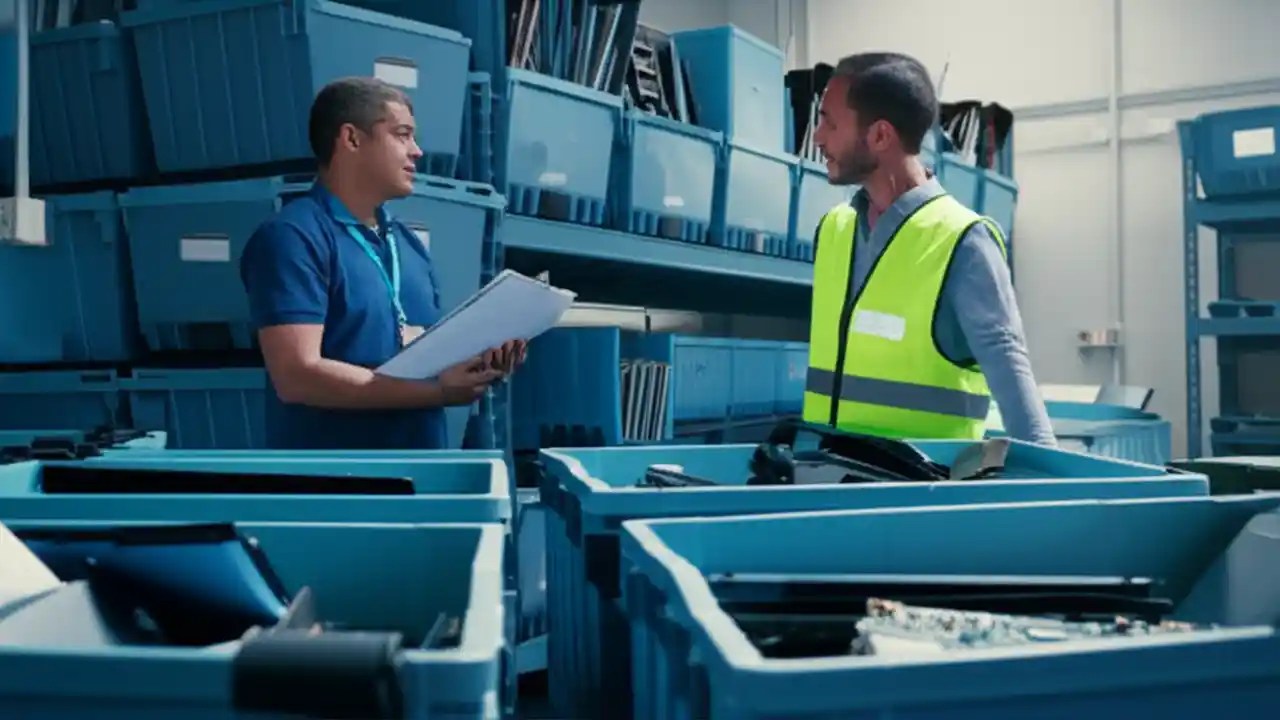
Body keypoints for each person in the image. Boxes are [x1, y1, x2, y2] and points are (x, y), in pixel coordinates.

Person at [240, 76, 524, 450]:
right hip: (339, 491)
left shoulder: (406, 245)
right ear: (352, 139)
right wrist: (438, 392)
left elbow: (418, 348)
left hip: (420, 481)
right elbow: (298, 376)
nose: (417, 151)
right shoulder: (293, 237)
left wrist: (480, 363)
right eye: (402, 135)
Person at [806, 52, 1055, 444]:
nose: (817, 136)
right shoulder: (834, 230)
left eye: (829, 122)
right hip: (826, 485)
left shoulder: (963, 242)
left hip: (919, 496)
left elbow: (1013, 382)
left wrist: (1052, 491)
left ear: (881, 136)